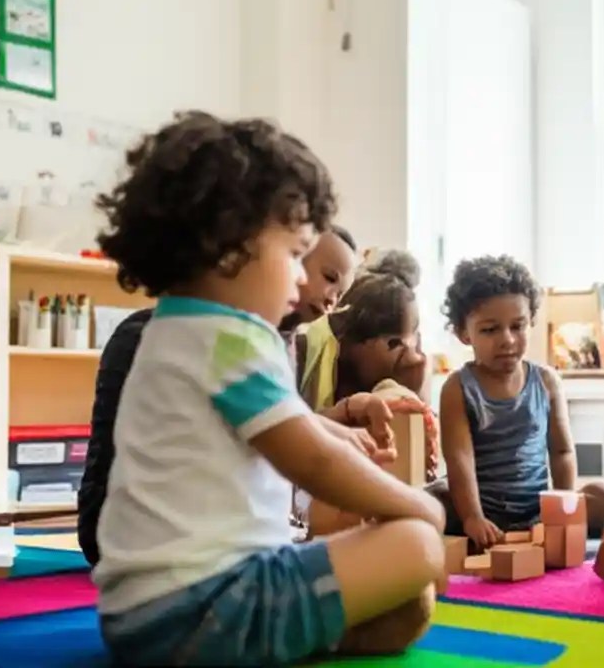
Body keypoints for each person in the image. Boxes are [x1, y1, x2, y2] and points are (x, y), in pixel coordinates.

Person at [89, 110, 446, 665]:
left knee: (402, 603)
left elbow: (250, 432)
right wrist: (421, 509)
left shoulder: (168, 331)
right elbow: (313, 465)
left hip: (134, 617)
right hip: (210, 606)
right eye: (296, 254)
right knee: (416, 546)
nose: (304, 278)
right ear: (227, 245)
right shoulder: (235, 337)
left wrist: (325, 426)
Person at [78, 223, 359, 567]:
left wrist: (334, 421)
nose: (331, 297)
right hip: (157, 544)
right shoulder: (206, 340)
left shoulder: (274, 343)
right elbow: (300, 452)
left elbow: (254, 429)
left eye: (341, 294)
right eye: (325, 275)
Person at [432, 255, 604, 549]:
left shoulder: (546, 382)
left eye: (517, 326)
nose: (507, 339)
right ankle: (478, 532)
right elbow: (460, 461)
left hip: (538, 511)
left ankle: (562, 530)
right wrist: (472, 517)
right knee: (429, 500)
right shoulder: (457, 388)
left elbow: (561, 451)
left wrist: (562, 510)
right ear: (463, 333)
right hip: (480, 509)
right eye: (490, 330)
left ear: (530, 321)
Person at [295, 249, 440, 482]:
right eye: (395, 345)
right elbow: (291, 432)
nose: (406, 357)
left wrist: (415, 389)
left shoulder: (381, 378)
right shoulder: (303, 352)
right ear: (348, 339)